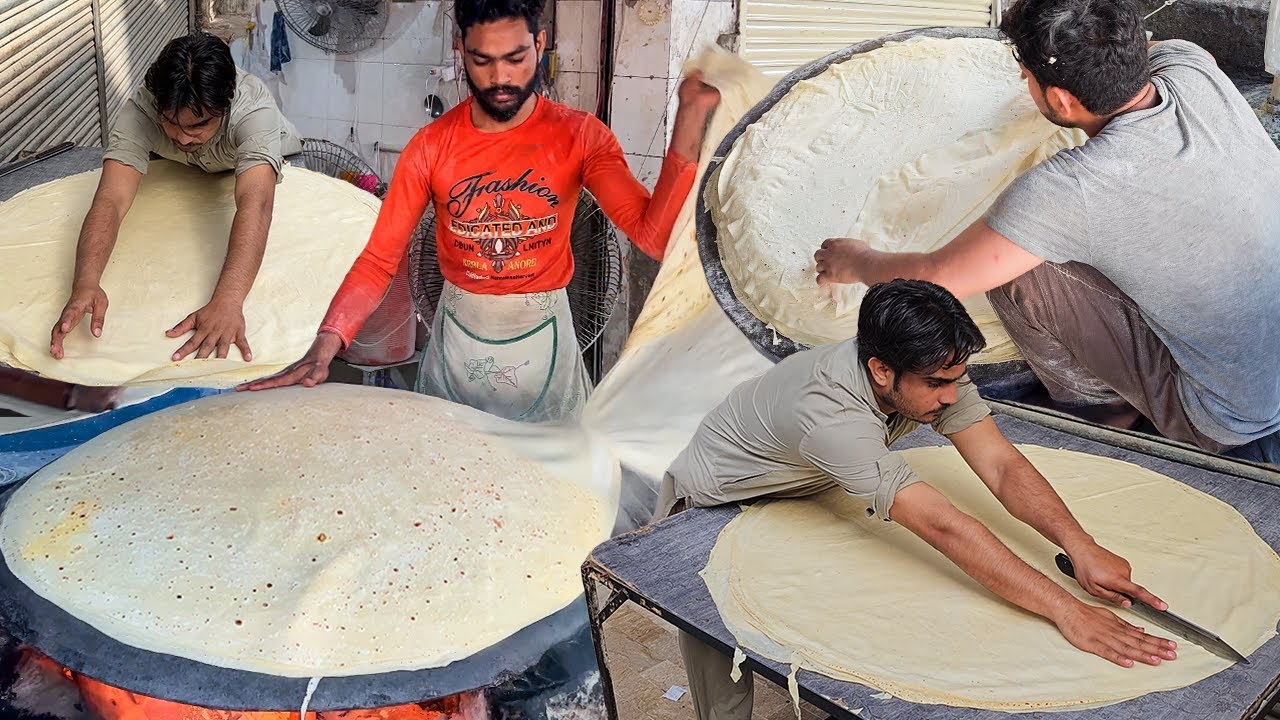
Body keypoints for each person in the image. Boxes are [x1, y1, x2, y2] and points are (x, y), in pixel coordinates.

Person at [664, 280, 1177, 720]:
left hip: (802, 482)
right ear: (881, 370)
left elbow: (1001, 465)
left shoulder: (930, 370)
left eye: (955, 379)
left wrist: (1079, 544)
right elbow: (944, 527)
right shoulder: (829, 416)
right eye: (936, 384)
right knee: (722, 623)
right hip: (712, 501)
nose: (951, 395)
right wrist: (1068, 611)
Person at [813, 0, 1280, 463]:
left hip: (1228, 415)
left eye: (1028, 75)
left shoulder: (1071, 189)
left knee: (1017, 274)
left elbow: (937, 279)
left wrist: (855, 260)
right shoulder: (1192, 70)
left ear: (1060, 100)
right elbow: (1174, 51)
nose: (1022, 80)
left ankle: (1100, 412)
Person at [239, 0, 720, 423]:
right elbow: (380, 259)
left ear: (540, 42)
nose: (500, 78)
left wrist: (689, 120)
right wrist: (328, 343)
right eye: (482, 60)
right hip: (457, 344)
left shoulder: (579, 137)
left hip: (543, 346)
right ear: (459, 48)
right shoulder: (430, 147)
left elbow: (652, 236)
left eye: (515, 58)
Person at [49, 31, 302, 366]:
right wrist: (85, 282)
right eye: (170, 123)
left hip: (274, 161)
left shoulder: (253, 111)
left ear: (226, 105)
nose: (183, 136)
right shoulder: (142, 109)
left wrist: (227, 301)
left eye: (199, 125)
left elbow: (255, 205)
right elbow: (111, 197)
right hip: (187, 169)